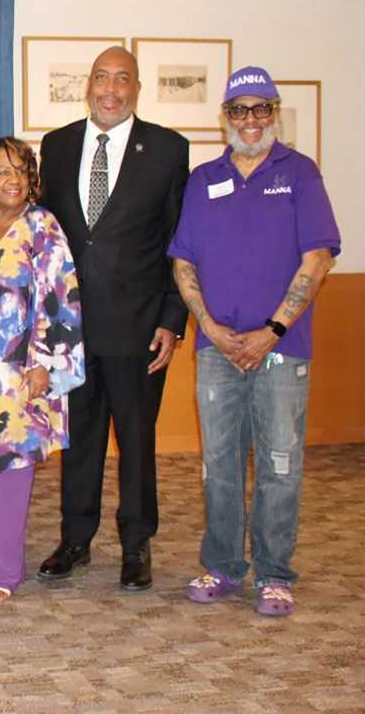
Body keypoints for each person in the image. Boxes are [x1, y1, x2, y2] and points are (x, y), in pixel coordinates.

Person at [169, 67, 340, 617]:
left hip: (282, 349)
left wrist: (272, 331)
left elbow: (319, 258)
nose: (250, 120)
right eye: (239, 110)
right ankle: (222, 566)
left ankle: (274, 574)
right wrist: (211, 329)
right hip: (216, 350)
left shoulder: (301, 173)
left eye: (260, 109)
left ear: (275, 114)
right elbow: (183, 260)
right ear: (225, 118)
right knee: (218, 464)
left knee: (280, 463)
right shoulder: (204, 179)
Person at [36, 45, 189, 591]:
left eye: (122, 79)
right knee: (79, 438)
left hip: (139, 326)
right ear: (88, 85)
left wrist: (172, 320)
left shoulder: (169, 150)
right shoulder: (55, 148)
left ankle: (136, 543)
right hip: (72, 330)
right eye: (102, 77)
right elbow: (45, 237)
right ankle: (76, 538)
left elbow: (180, 242)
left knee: (137, 440)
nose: (110, 88)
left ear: (137, 88)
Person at [0, 138, 84, 605]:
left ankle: (4, 571)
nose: (14, 180)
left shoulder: (41, 226)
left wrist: (48, 365)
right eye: (3, 171)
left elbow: (63, 299)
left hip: (16, 376)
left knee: (8, 472)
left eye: (22, 171)